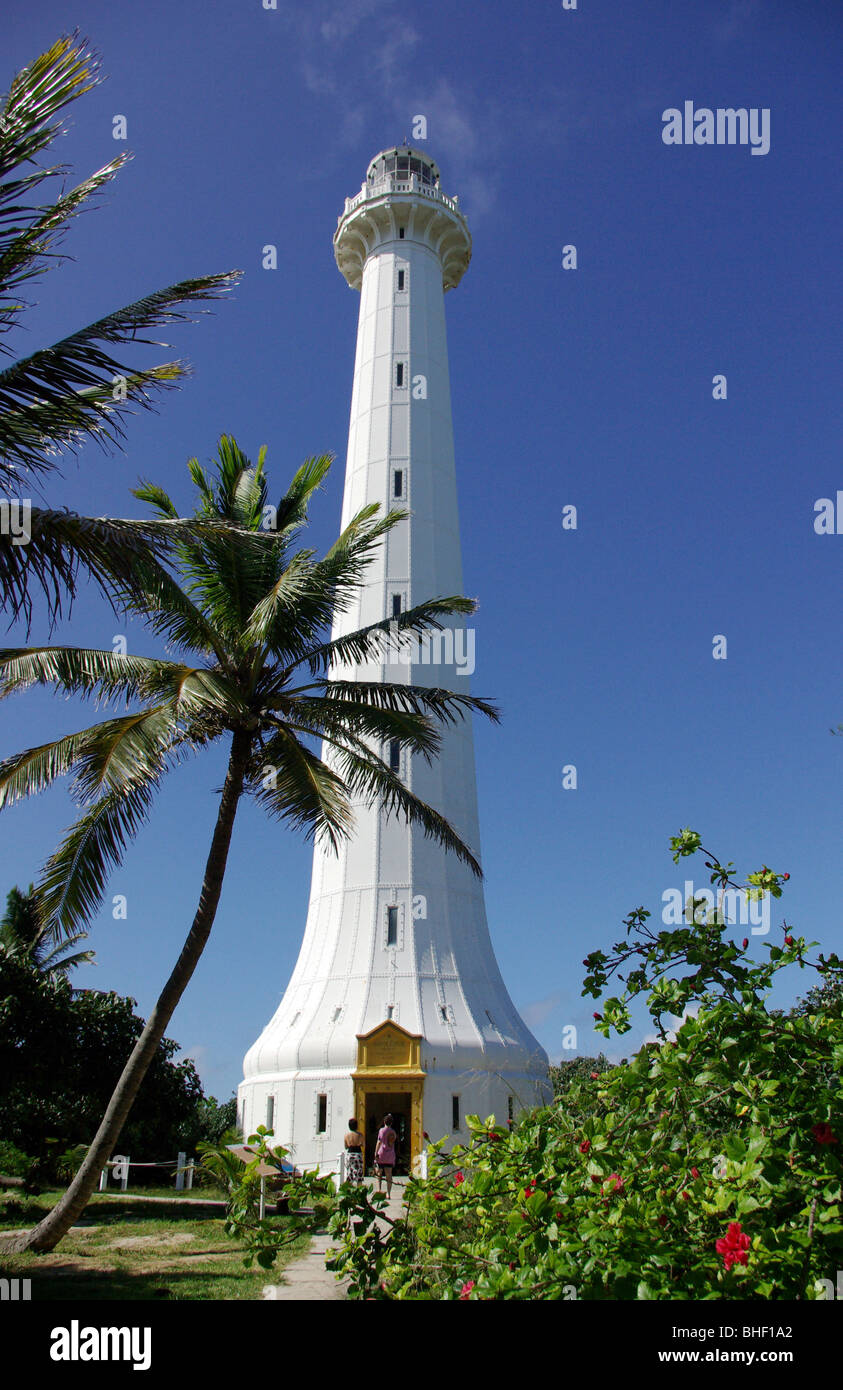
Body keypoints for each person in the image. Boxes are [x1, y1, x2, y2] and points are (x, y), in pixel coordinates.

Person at [375, 1113, 397, 1197]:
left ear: (384, 1121)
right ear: (391, 1123)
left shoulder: (381, 1131)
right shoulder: (393, 1132)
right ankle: (388, 1193)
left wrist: (376, 1152)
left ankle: (379, 1190)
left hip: (381, 1154)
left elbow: (379, 1142)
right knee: (389, 1175)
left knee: (379, 1173)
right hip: (390, 1155)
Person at [344, 1117, 364, 1183]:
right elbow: (363, 1144)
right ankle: (359, 1190)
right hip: (358, 1154)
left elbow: (346, 1147)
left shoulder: (346, 1135)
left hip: (350, 1154)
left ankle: (349, 1191)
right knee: (359, 1175)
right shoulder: (360, 1135)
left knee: (350, 1174)